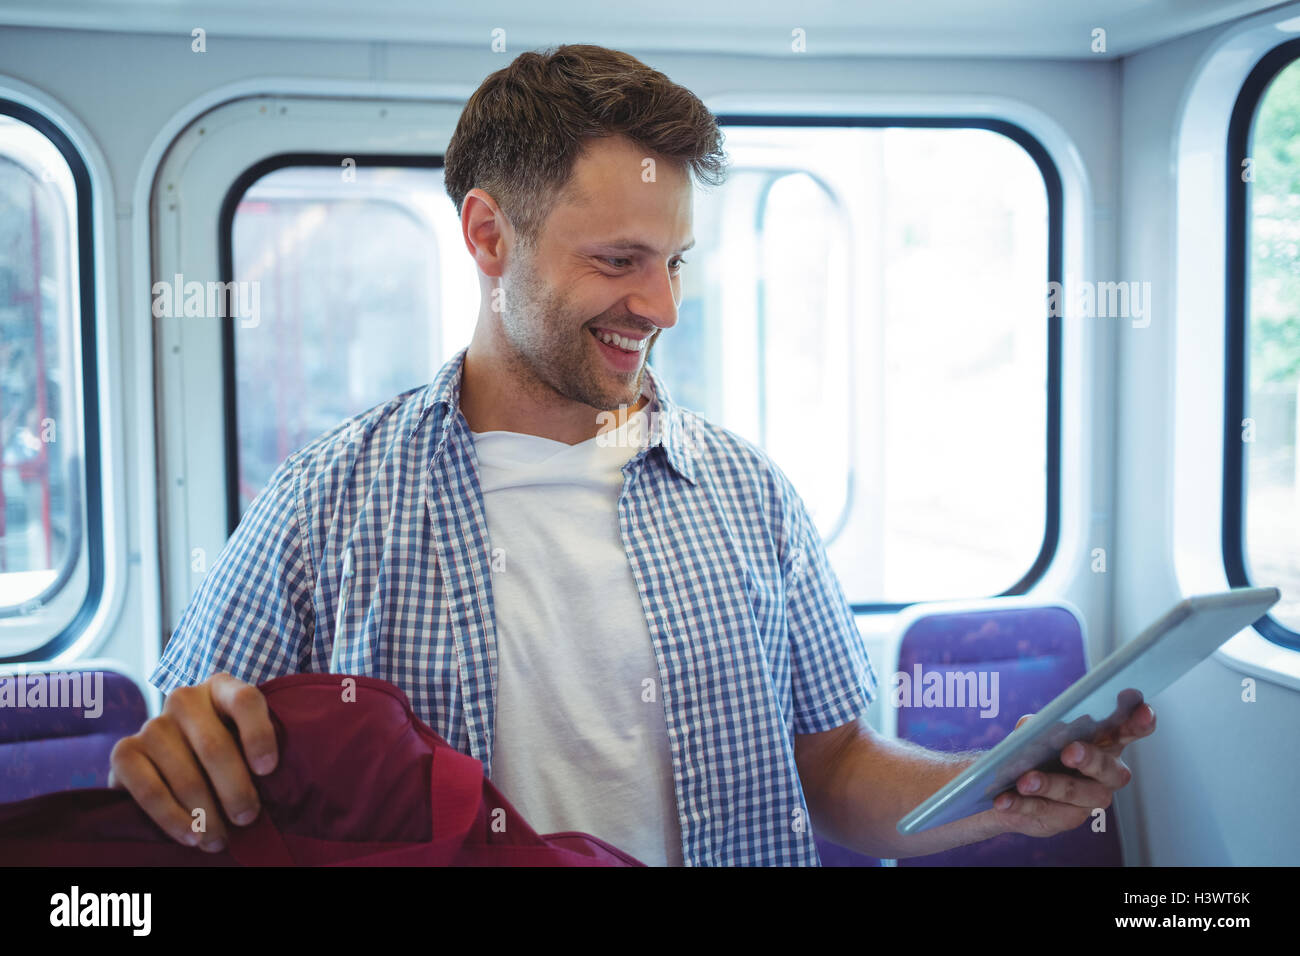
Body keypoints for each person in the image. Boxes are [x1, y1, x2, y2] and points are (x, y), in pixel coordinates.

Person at [109, 43, 1155, 866]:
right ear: (487, 236)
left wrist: (986, 792)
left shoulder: (749, 494)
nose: (660, 306)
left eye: (673, 262)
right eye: (618, 261)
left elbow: (831, 765)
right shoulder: (321, 505)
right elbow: (184, 763)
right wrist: (175, 762)